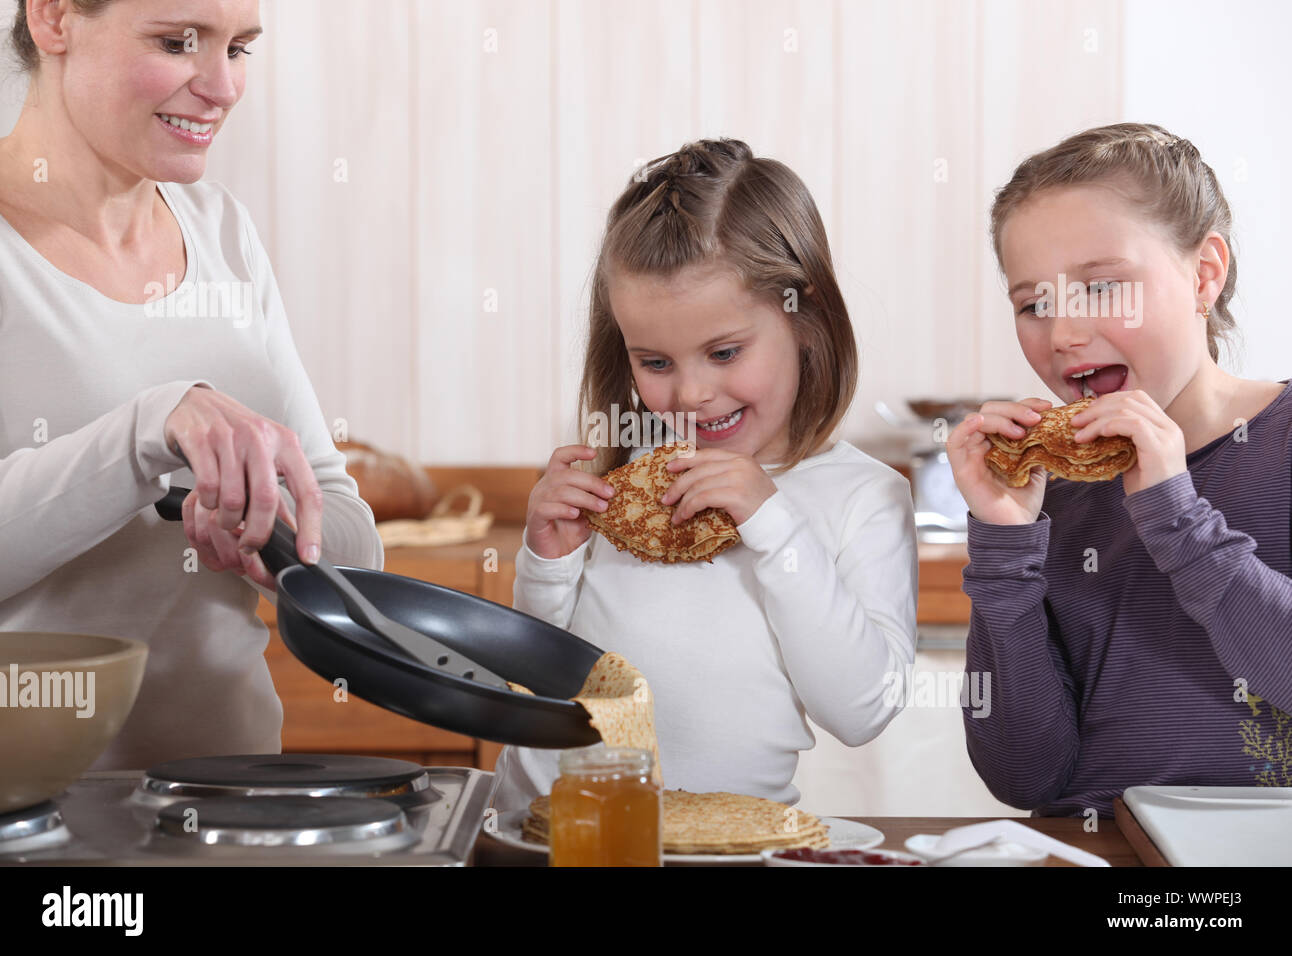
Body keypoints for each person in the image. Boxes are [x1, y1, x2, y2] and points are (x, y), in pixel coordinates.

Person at [0, 0, 382, 768]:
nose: (224, 86)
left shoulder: (222, 231)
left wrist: (271, 543)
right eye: (178, 42)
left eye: (238, 48)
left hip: (231, 799)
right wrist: (147, 431)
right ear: (55, 18)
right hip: (24, 813)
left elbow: (348, 532)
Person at [492, 139, 918, 810]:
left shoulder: (863, 497)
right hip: (551, 833)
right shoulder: (620, 477)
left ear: (803, 318)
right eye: (655, 362)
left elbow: (863, 710)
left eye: (723, 352)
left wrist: (773, 523)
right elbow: (532, 679)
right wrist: (546, 563)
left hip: (732, 844)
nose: (690, 394)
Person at [947, 122, 1292, 816]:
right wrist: (1007, 545)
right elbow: (1025, 778)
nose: (1064, 333)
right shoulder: (1055, 496)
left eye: (1101, 288)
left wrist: (1178, 520)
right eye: (1034, 304)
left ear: (1204, 274)